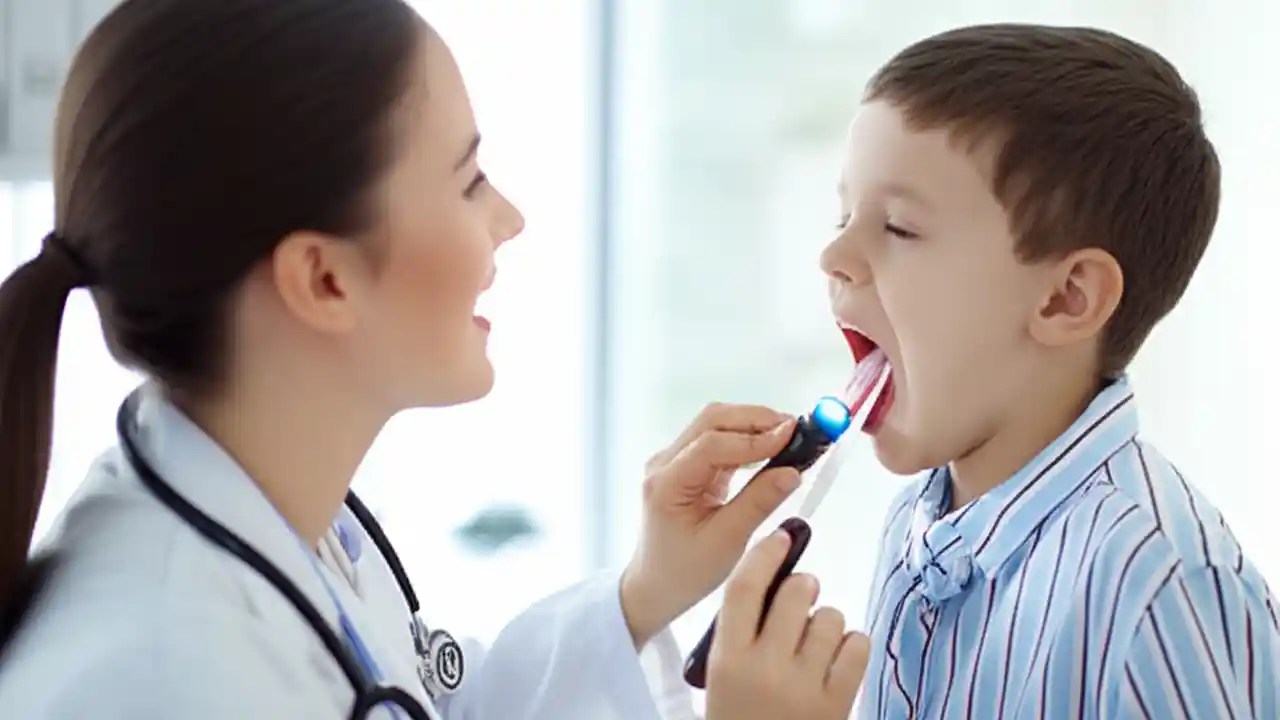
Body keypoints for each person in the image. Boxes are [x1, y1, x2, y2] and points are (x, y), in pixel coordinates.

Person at [0, 1, 871, 718]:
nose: (510, 219)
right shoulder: (164, 676)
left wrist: (647, 590)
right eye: (468, 182)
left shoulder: (288, 526)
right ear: (323, 278)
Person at [821, 23, 1280, 719]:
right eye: (845, 214)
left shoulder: (1159, 585)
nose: (835, 255)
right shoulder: (917, 525)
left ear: (1067, 298)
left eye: (900, 228)